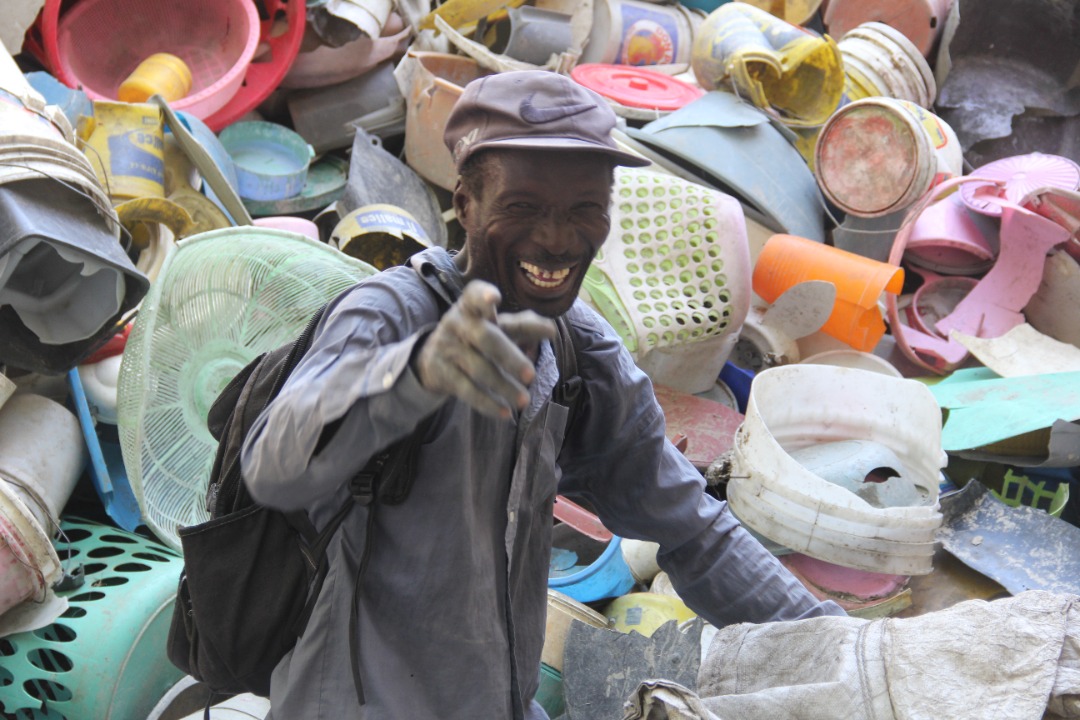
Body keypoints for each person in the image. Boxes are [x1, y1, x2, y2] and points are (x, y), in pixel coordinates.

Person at [241, 70, 845, 720]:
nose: (558, 238)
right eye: (523, 206)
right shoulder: (385, 316)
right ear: (466, 203)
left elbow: (693, 530)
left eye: (585, 208)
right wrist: (413, 377)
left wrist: (844, 650)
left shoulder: (579, 350)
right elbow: (274, 468)